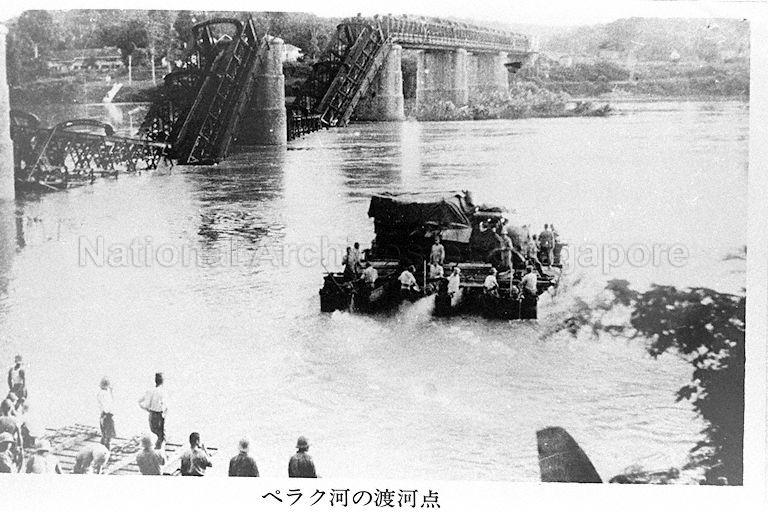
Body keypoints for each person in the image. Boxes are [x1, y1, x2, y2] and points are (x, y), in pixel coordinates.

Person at [138, 373, 167, 450]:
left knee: (154, 435)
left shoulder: (150, 391)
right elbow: (165, 406)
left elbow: (140, 402)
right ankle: (159, 454)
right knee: (161, 437)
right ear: (163, 381)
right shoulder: (163, 391)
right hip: (159, 415)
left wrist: (147, 410)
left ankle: (154, 453)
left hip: (152, 415)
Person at [97, 377, 116, 449]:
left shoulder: (102, 393)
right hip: (107, 416)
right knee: (107, 436)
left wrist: (111, 391)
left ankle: (101, 449)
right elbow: (107, 406)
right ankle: (106, 451)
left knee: (105, 434)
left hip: (104, 415)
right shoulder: (104, 394)